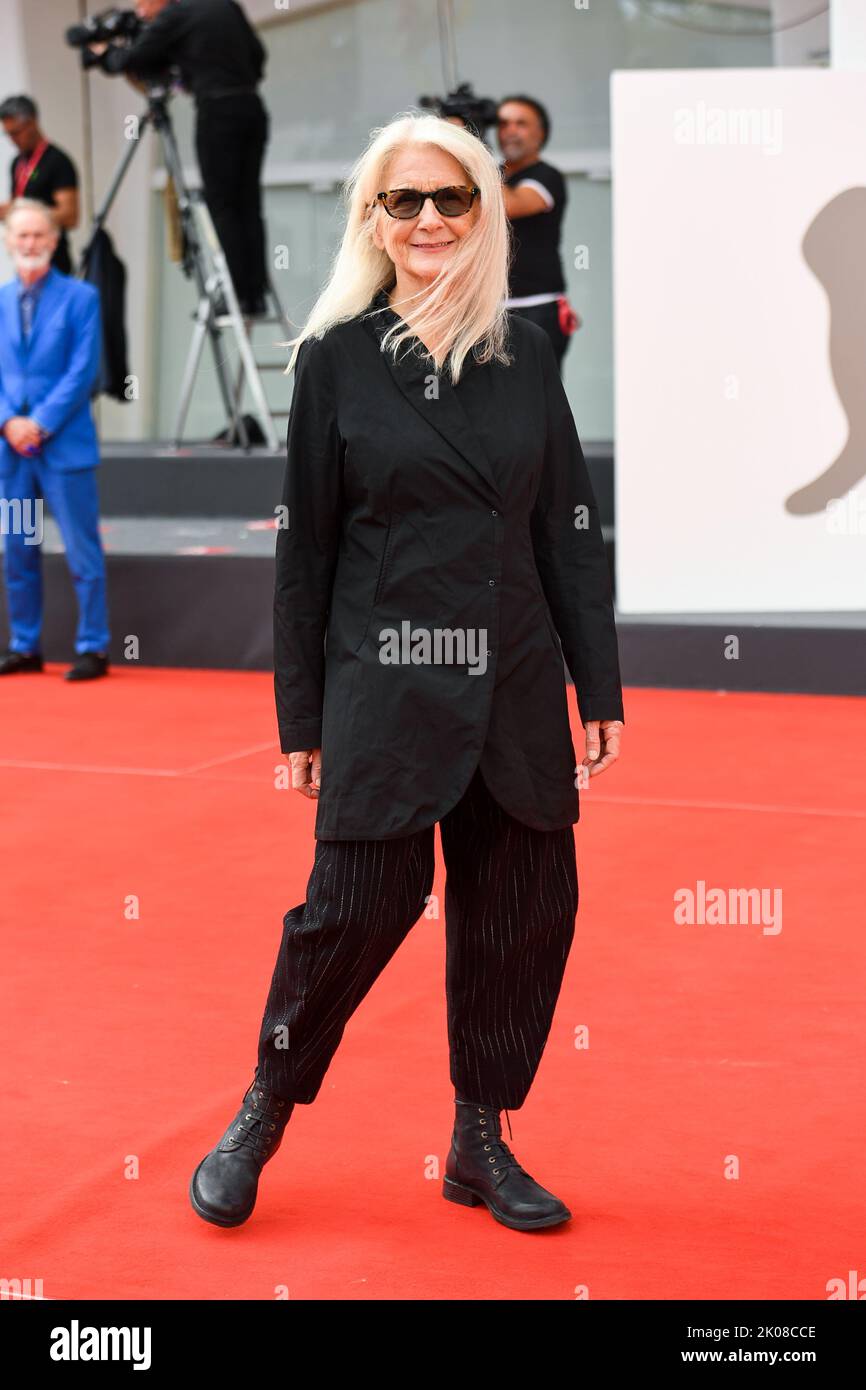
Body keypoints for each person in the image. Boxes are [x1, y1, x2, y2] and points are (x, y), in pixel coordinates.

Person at [188, 112, 624, 1234]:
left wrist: (598, 682)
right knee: (351, 911)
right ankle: (262, 1109)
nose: (428, 219)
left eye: (451, 199)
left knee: (523, 911)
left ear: (483, 214)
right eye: (403, 201)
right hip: (383, 680)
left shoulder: (525, 356)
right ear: (372, 222)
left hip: (516, 679)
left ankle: (479, 1140)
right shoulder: (335, 360)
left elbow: (567, 531)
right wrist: (301, 711)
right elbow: (308, 549)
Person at [92, 0, 271, 316]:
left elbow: (132, 59)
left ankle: (237, 295)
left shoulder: (176, 15)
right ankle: (255, 293)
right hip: (252, 109)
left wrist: (102, 52)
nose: (141, 10)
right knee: (248, 203)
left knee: (224, 205)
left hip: (218, 114)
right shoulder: (225, 6)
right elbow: (258, 59)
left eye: (144, 2)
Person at [0, 200, 110, 680]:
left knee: (81, 549)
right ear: (8, 241)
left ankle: (95, 647)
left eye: (39, 235)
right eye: (22, 236)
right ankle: (25, 645)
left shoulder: (81, 298)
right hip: (13, 455)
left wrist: (37, 424)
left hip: (62, 450)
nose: (30, 244)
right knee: (19, 547)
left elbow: (82, 371)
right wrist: (8, 422)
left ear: (54, 239)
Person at [497, 95, 579, 372]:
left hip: (537, 308)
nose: (510, 131)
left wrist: (473, 147)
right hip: (490, 309)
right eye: (503, 123)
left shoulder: (547, 176)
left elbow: (509, 205)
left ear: (540, 133)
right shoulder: (491, 175)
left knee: (538, 404)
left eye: (521, 123)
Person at [0, 95, 80, 275]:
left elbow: (70, 216)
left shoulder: (58, 161)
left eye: (16, 132)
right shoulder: (17, 163)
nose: (13, 139)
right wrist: (9, 211)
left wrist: (25, 213)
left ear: (32, 122)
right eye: (8, 134)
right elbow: (17, 203)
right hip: (25, 261)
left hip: (54, 261)